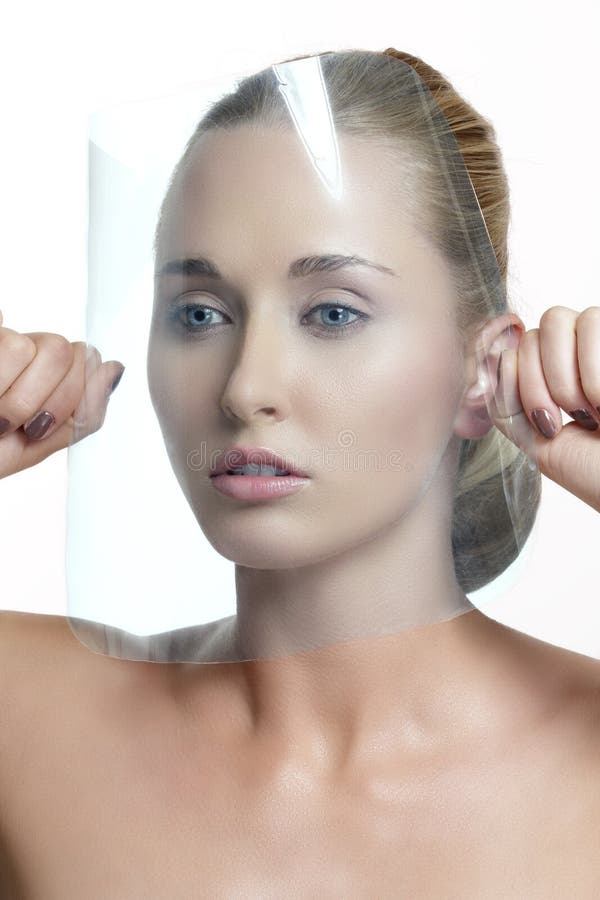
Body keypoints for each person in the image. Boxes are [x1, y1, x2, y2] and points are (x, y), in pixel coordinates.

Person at [1, 47, 599, 897]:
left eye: (331, 312)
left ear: (483, 370)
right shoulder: (24, 722)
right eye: (199, 313)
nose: (246, 388)